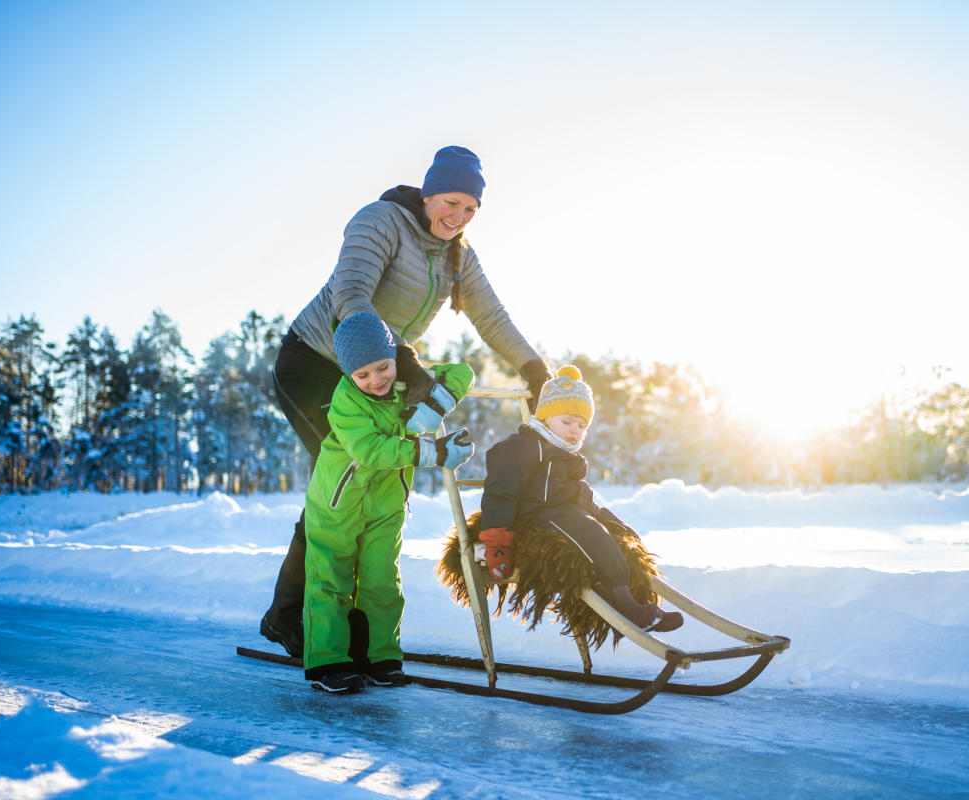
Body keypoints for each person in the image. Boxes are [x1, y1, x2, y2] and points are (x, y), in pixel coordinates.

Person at [262, 146, 551, 657]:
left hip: (380, 377)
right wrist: (401, 352)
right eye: (451, 202)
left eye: (470, 209)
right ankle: (293, 619)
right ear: (428, 193)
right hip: (315, 363)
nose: (457, 217)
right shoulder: (380, 221)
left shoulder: (459, 255)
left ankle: (340, 620)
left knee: (367, 494)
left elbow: (492, 319)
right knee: (342, 487)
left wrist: (533, 368)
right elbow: (350, 294)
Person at [304, 311, 475, 694]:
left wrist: (429, 400)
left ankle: (380, 657)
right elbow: (372, 451)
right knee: (331, 578)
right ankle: (328, 661)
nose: (375, 380)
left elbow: (463, 372)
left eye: (382, 368)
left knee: (382, 580)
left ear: (394, 357)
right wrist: (431, 451)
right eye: (362, 375)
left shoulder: (403, 380)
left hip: (387, 503)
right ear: (349, 375)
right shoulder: (346, 400)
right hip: (337, 502)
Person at [476, 365, 683, 633]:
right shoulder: (524, 446)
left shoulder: (567, 456)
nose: (575, 430)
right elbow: (500, 492)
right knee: (590, 532)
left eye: (581, 425)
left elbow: (578, 496)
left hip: (561, 515)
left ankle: (631, 602)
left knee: (610, 531)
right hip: (533, 517)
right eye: (567, 422)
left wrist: (604, 517)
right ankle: (629, 607)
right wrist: (497, 542)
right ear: (546, 419)